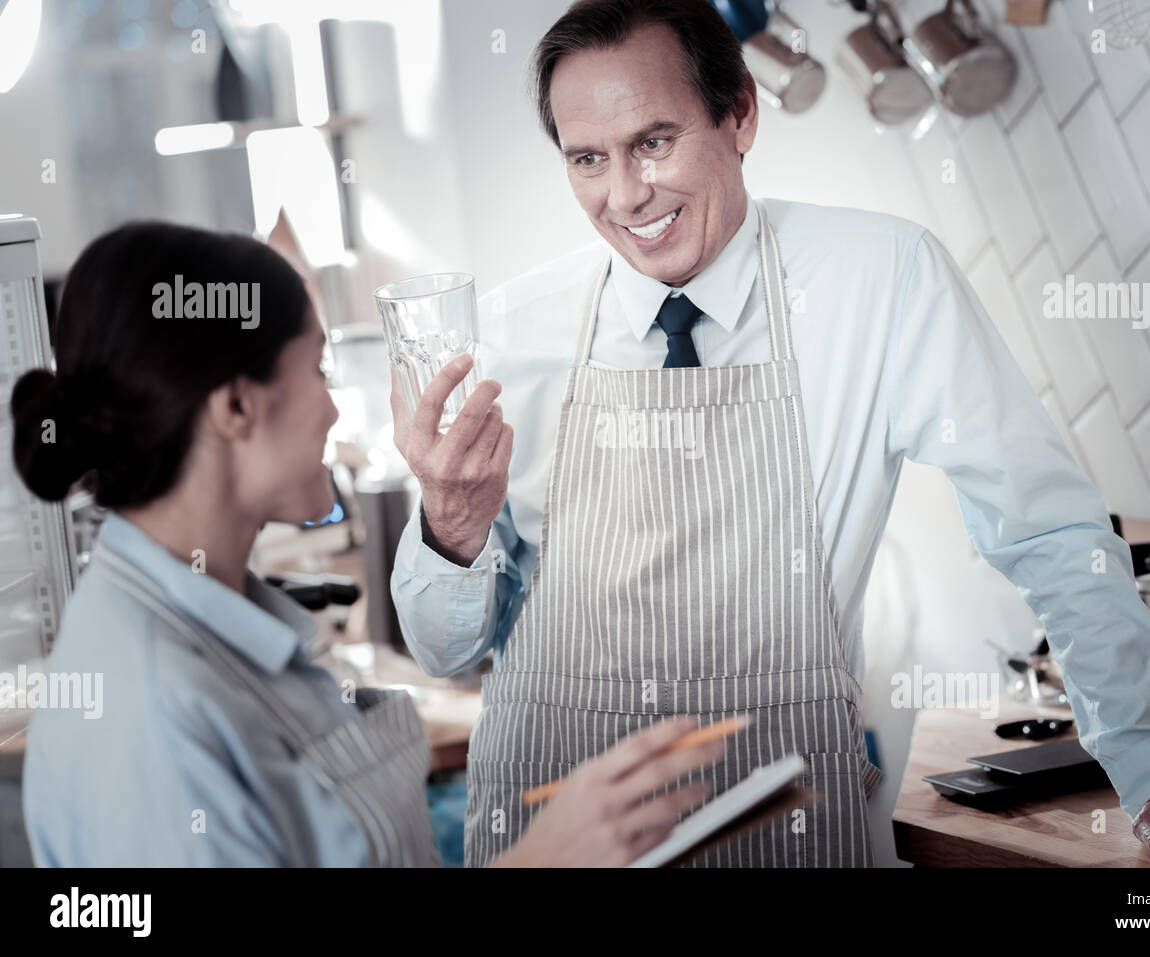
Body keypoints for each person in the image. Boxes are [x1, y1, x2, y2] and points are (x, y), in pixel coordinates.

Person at [390, 0, 1150, 868]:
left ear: (740, 113)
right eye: (588, 159)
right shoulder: (512, 334)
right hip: (554, 842)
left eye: (654, 142)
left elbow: (1049, 530)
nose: (626, 194)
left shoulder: (882, 278)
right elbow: (443, 650)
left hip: (786, 838)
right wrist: (450, 529)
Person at [13, 220, 724, 867]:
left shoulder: (222, 627)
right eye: (317, 370)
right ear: (236, 406)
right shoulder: (153, 718)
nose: (332, 408)